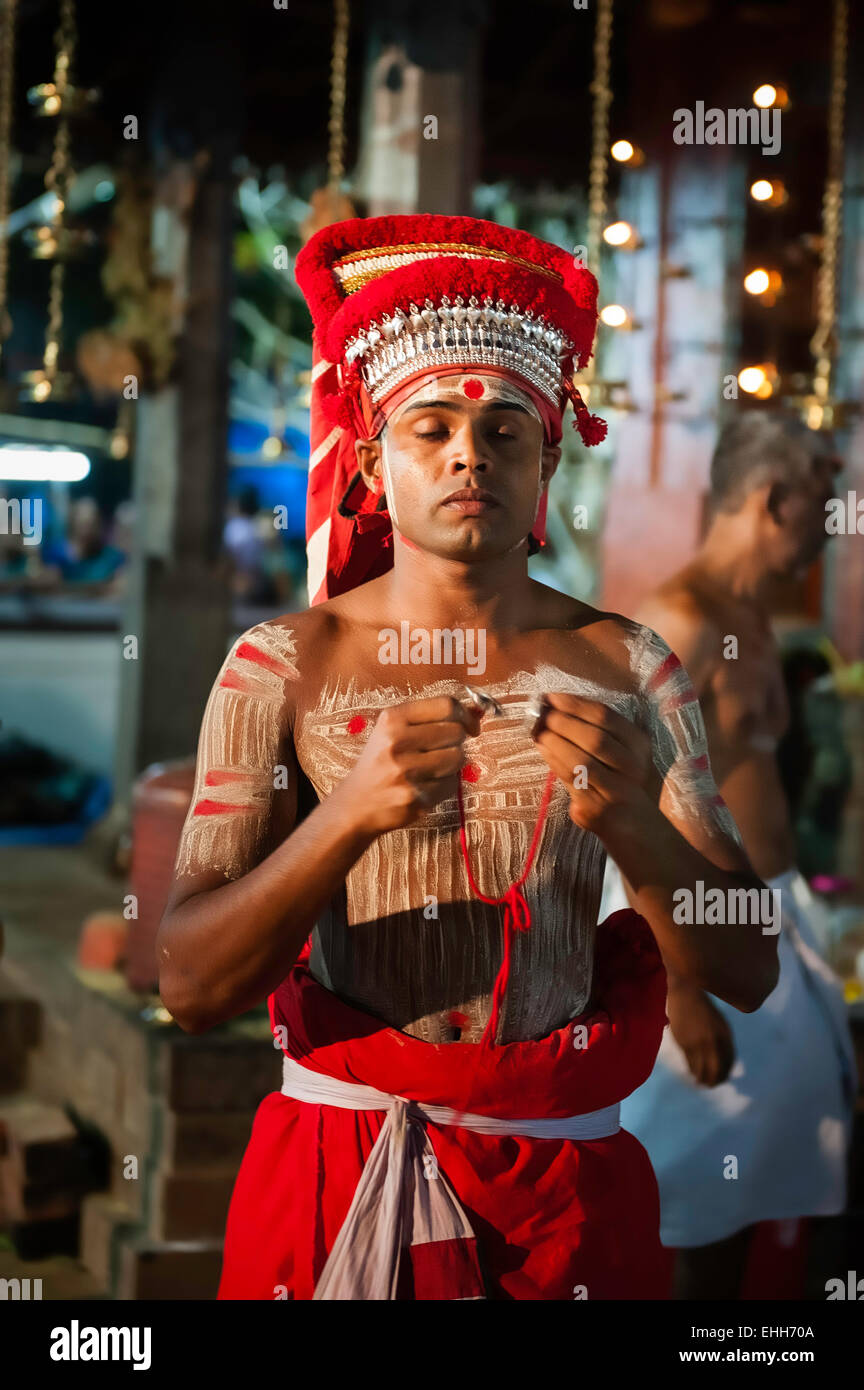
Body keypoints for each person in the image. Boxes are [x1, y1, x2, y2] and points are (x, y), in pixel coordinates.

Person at [157, 215, 778, 1301]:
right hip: (344, 1169)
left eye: (503, 433)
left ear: (545, 459)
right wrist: (347, 812)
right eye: (429, 427)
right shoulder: (285, 665)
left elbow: (751, 969)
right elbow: (190, 984)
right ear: (370, 455)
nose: (466, 456)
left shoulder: (628, 664)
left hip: (561, 1196)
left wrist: (632, 821)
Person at [602, 412, 857, 1298]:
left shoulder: (754, 613)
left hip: (779, 914)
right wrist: (674, 984)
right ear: (773, 500)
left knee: (783, 1178)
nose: (827, 531)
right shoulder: (677, 617)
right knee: (696, 1199)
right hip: (697, 930)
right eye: (820, 509)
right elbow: (619, 801)